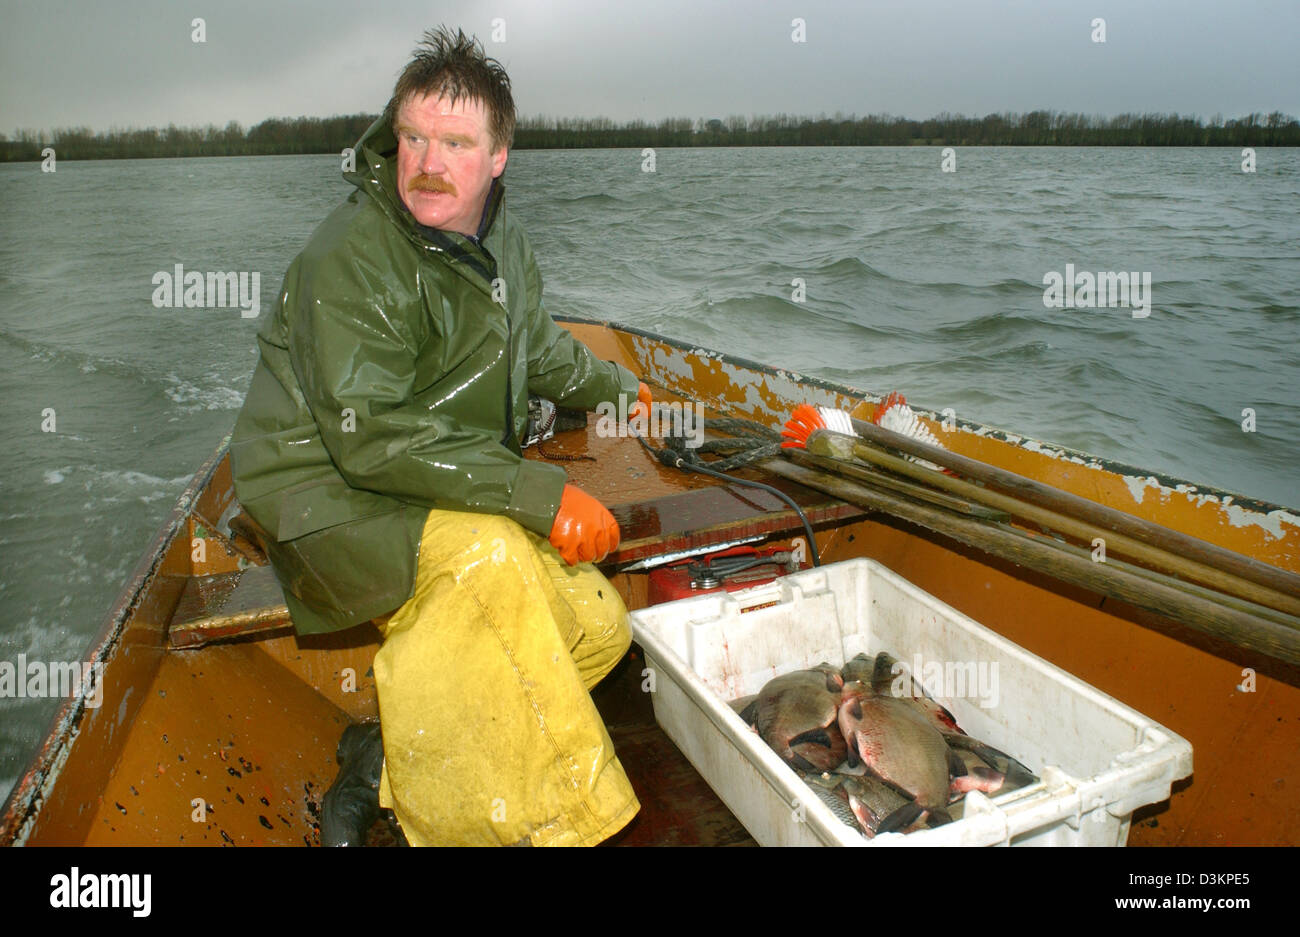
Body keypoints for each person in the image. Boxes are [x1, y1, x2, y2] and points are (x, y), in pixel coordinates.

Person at [230, 26, 652, 846]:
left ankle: (384, 755)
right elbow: (371, 436)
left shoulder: (506, 242)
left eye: (455, 142)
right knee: (489, 558)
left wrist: (623, 391)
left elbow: (541, 352)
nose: (427, 161)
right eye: (414, 137)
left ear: (498, 158)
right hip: (324, 497)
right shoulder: (349, 256)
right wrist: (537, 492)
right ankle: (540, 828)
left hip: (428, 482)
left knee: (601, 627)